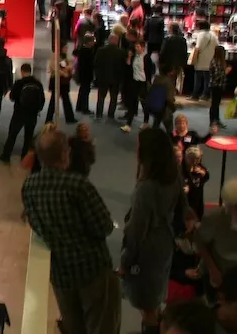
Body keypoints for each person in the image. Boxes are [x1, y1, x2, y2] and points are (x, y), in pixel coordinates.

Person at [21, 129, 120, 334]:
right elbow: (105, 227)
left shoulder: (29, 186)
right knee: (102, 326)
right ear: (65, 154)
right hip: (93, 271)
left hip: (61, 275)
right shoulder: (79, 186)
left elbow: (34, 224)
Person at [121, 129, 191, 333]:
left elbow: (136, 231)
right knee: (155, 299)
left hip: (147, 252)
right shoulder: (173, 174)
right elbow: (183, 205)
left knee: (147, 308)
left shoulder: (146, 188)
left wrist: (125, 262)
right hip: (165, 244)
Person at [198, 180, 237, 303]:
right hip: (219, 272)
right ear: (228, 205)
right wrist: (212, 270)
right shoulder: (214, 220)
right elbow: (200, 243)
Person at [94, 35, 127, 122]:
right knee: (114, 97)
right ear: (116, 41)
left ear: (108, 40)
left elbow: (96, 64)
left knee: (101, 97)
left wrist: (97, 76)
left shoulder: (101, 50)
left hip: (103, 78)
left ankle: (99, 114)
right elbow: (123, 67)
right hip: (115, 79)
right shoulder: (121, 52)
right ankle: (111, 115)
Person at [210, 46, 229, 127]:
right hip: (215, 85)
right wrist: (226, 71)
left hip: (220, 86)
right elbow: (217, 76)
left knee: (217, 104)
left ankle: (217, 120)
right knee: (214, 104)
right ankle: (212, 121)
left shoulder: (220, 61)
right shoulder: (215, 62)